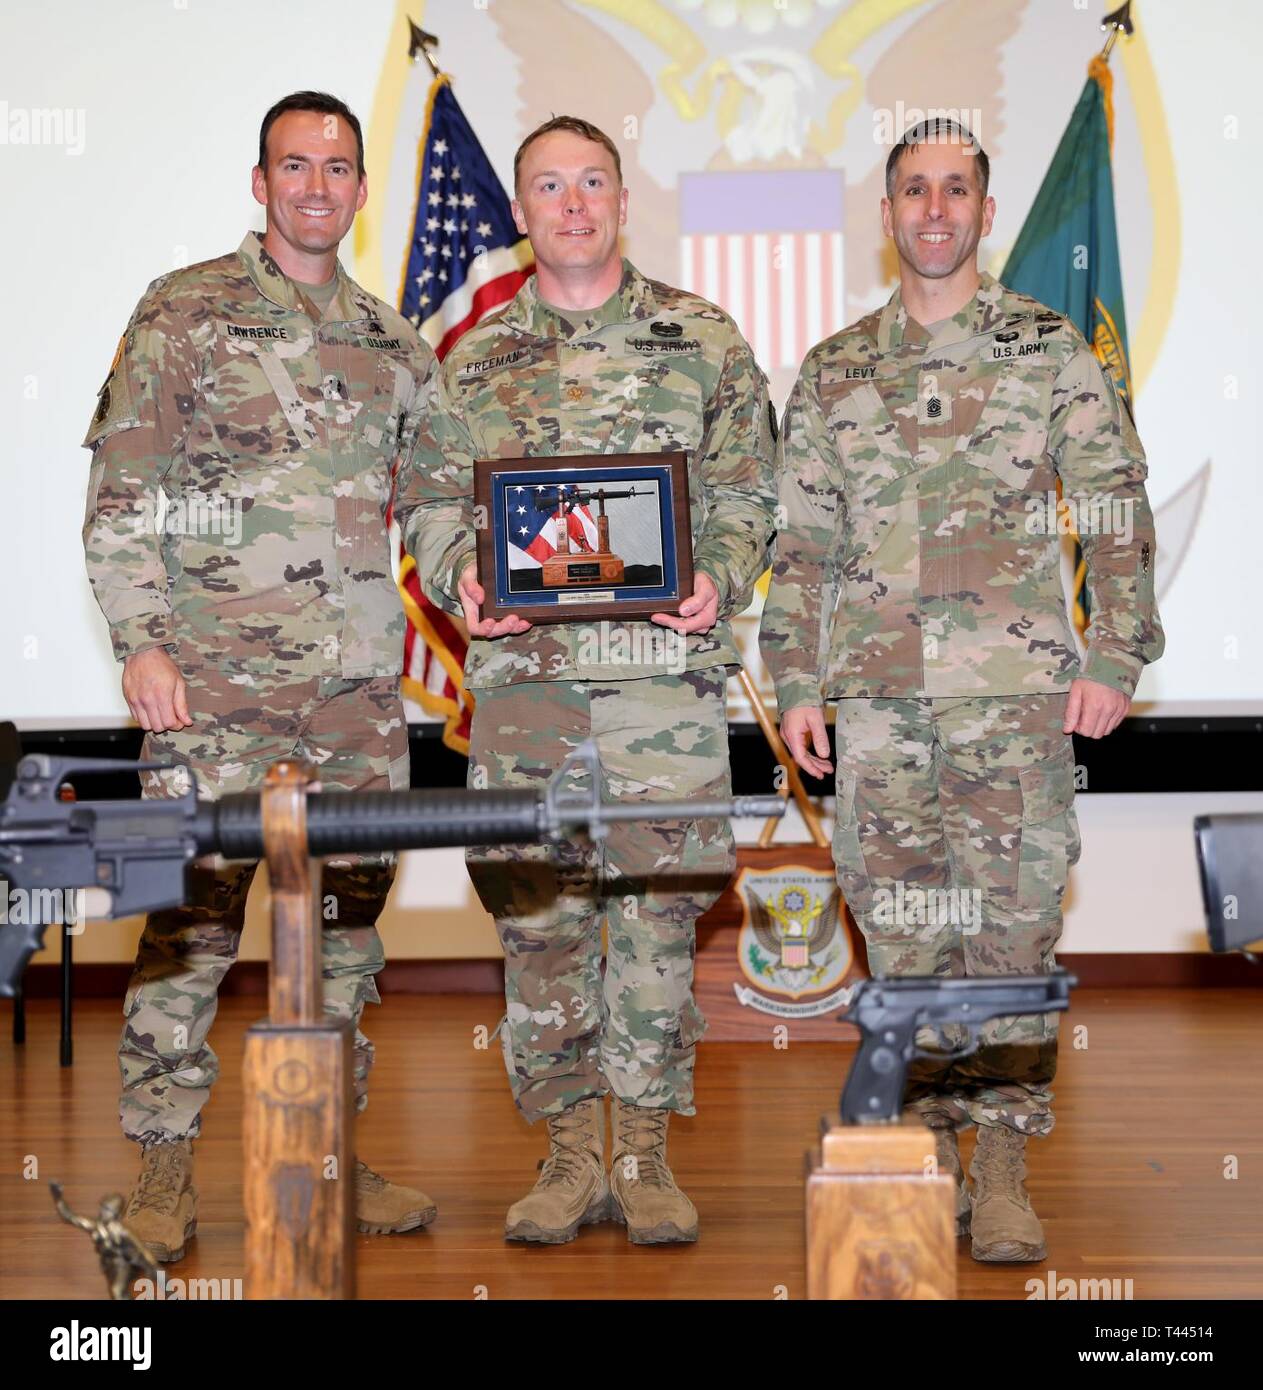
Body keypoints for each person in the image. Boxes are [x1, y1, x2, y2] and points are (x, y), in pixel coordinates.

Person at [760, 119, 1164, 1262]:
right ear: (885, 215)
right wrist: (795, 676)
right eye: (912, 191)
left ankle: (1002, 1160)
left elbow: (1115, 503)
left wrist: (1116, 654)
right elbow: (801, 547)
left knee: (1014, 937)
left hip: (1017, 708)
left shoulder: (1048, 350)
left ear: (986, 213)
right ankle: (923, 1146)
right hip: (879, 710)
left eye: (955, 191)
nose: (934, 209)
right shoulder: (837, 371)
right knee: (903, 939)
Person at [397, 115, 776, 1245]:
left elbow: (755, 488)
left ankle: (646, 1151)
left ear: (622, 198)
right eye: (549, 186)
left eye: (592, 182)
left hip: (664, 685)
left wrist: (721, 572)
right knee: (544, 919)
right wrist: (469, 577)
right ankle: (568, 1152)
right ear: (520, 212)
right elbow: (427, 503)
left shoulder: (702, 338)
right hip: (530, 688)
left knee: (659, 921)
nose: (572, 203)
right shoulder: (472, 357)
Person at [82, 91, 438, 1262]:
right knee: (191, 926)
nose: (317, 186)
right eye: (296, 165)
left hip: (351, 699)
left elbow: (436, 512)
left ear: (360, 188)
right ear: (261, 182)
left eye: (339, 166)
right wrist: (138, 635)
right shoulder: (182, 312)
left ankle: (327, 1143)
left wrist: (490, 581)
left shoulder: (396, 347)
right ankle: (164, 1167)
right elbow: (125, 492)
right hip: (211, 688)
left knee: (344, 929)